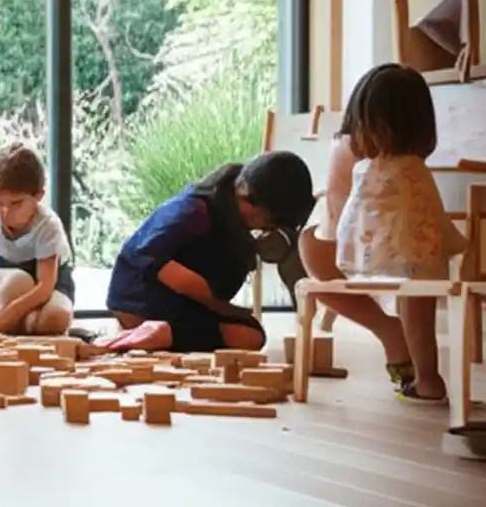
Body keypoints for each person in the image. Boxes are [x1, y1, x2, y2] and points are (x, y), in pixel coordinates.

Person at [332, 63, 464, 401]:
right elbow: (434, 215)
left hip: (390, 262)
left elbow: (351, 220)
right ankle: (429, 379)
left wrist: (345, 256)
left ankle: (426, 381)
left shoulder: (370, 170)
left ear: (374, 127)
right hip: (427, 256)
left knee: (409, 313)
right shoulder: (418, 168)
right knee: (421, 323)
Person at [104, 151, 315, 352]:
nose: (264, 228)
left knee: (251, 335)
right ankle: (162, 333)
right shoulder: (195, 210)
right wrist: (217, 305)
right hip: (141, 297)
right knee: (249, 335)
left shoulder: (236, 215)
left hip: (180, 304)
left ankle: (166, 334)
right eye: (266, 220)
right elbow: (149, 258)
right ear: (246, 193)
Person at [298, 65, 420, 392]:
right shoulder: (355, 150)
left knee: (311, 252)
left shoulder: (352, 148)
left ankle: (395, 337)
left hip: (358, 251)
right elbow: (342, 220)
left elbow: (338, 222)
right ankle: (403, 345)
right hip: (374, 250)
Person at [0, 142, 74, 335]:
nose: (4, 211)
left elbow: (44, 288)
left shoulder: (48, 225)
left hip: (48, 281)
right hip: (5, 274)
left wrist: (4, 319)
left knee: (54, 319)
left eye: (16, 203)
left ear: (38, 196)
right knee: (19, 281)